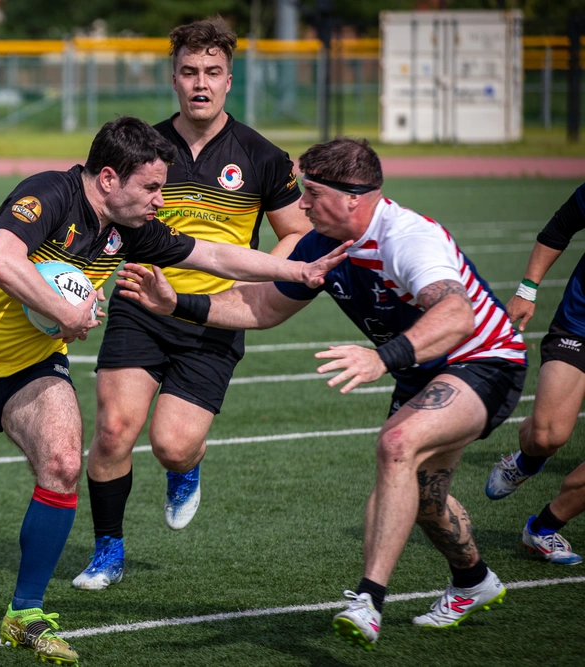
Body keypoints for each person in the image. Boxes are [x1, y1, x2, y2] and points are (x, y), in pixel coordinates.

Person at [0, 116, 347, 665]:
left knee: (62, 463)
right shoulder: (47, 194)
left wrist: (297, 271)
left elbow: (214, 254)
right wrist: (64, 311)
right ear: (108, 179)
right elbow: (0, 260)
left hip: (33, 368)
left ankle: (24, 613)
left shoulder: (129, 228)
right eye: (150, 187)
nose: (160, 200)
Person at [113, 137, 528, 649]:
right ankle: (473, 579)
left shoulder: (406, 237)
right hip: (422, 371)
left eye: (311, 193)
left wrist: (381, 358)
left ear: (353, 197)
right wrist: (176, 303)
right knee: (424, 496)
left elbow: (457, 315)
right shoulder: (321, 244)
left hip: (483, 359)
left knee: (397, 444)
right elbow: (261, 307)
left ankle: (368, 600)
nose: (301, 205)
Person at [73, 16, 312, 591]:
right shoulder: (143, 150)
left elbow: (299, 234)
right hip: (140, 301)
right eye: (188, 71)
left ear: (230, 79)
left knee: (173, 446)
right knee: (113, 430)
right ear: (173, 77)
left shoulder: (263, 156)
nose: (200, 82)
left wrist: (254, 292)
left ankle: (187, 466)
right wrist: (81, 282)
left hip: (214, 316)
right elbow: (100, 215)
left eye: (212, 71)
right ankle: (108, 550)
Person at [483, 183, 585, 566]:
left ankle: (543, 527)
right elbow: (559, 228)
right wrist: (527, 289)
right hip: (580, 326)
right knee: (547, 435)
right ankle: (527, 460)